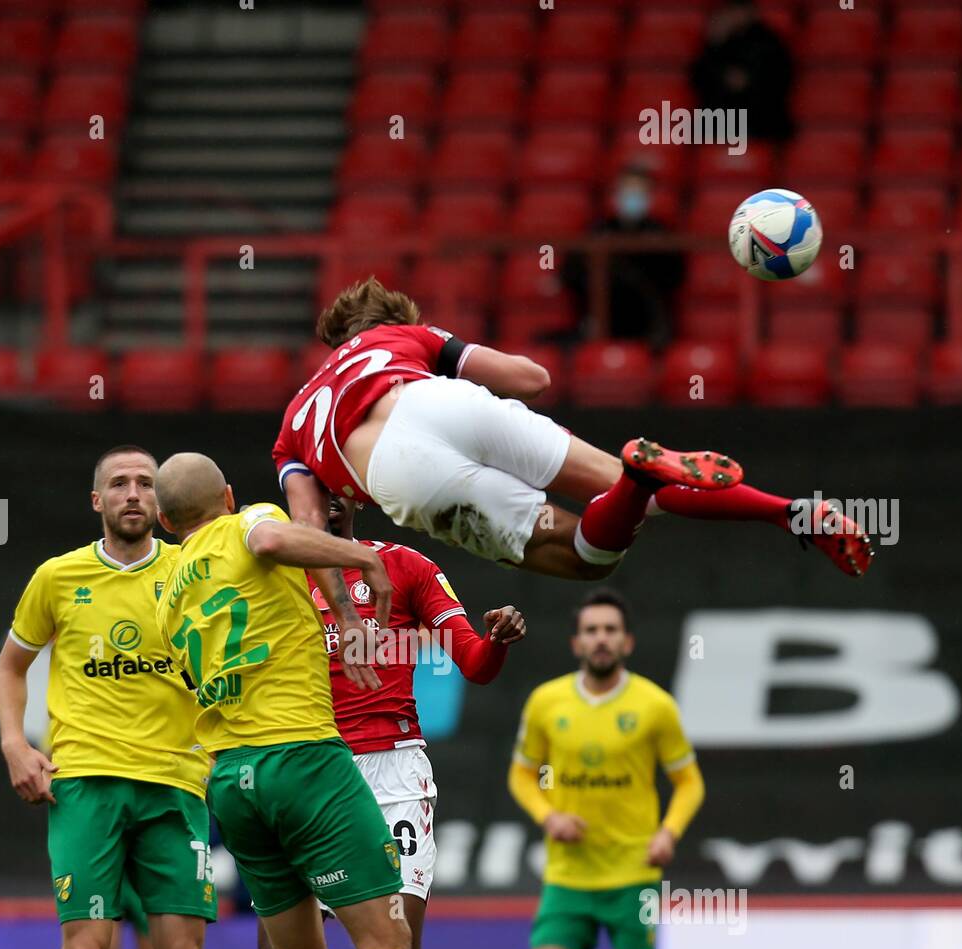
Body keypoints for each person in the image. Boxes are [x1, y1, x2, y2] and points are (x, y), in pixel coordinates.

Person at [154, 451, 454, 949]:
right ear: (226, 496)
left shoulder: (168, 591)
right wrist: (360, 558)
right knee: (385, 940)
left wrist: (345, 614)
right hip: (304, 759)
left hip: (233, 780)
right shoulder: (251, 522)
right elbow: (270, 542)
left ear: (164, 522)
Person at [258, 494, 527, 949]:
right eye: (315, 484)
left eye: (344, 482)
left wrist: (494, 637)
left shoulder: (403, 567)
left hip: (388, 780)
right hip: (305, 770)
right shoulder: (274, 571)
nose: (330, 497)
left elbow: (472, 660)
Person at [275, 278, 872, 580]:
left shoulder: (295, 422)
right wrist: (438, 348)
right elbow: (530, 377)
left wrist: (345, 610)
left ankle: (638, 481)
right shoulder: (402, 339)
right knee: (627, 489)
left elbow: (309, 528)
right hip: (445, 400)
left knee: (589, 558)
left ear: (333, 344)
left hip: (401, 473)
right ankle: (789, 511)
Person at [0, 445, 214, 949]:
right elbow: (10, 667)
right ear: (96, 501)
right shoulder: (58, 578)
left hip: (178, 787)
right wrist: (17, 743)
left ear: (162, 501)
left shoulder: (192, 575)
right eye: (118, 483)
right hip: (84, 786)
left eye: (145, 483)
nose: (132, 493)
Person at [508, 589, 705, 949]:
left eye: (610, 630)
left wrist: (669, 833)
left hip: (634, 873)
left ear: (627, 641)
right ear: (577, 642)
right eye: (591, 630)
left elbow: (689, 782)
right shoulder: (547, 703)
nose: (601, 638)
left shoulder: (654, 706)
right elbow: (522, 775)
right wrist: (550, 817)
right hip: (568, 873)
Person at [561, 165, 686, 348]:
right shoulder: (598, 232)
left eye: (638, 192)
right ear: (616, 194)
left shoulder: (662, 236)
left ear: (649, 196)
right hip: (601, 325)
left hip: (647, 329)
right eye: (627, 191)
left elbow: (673, 280)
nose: (632, 197)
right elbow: (570, 275)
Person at [690, 0, 795, 143]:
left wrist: (748, 81)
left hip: (760, 121)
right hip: (721, 120)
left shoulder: (769, 42)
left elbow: (776, 82)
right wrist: (714, 45)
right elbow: (699, 79)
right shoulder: (719, 43)